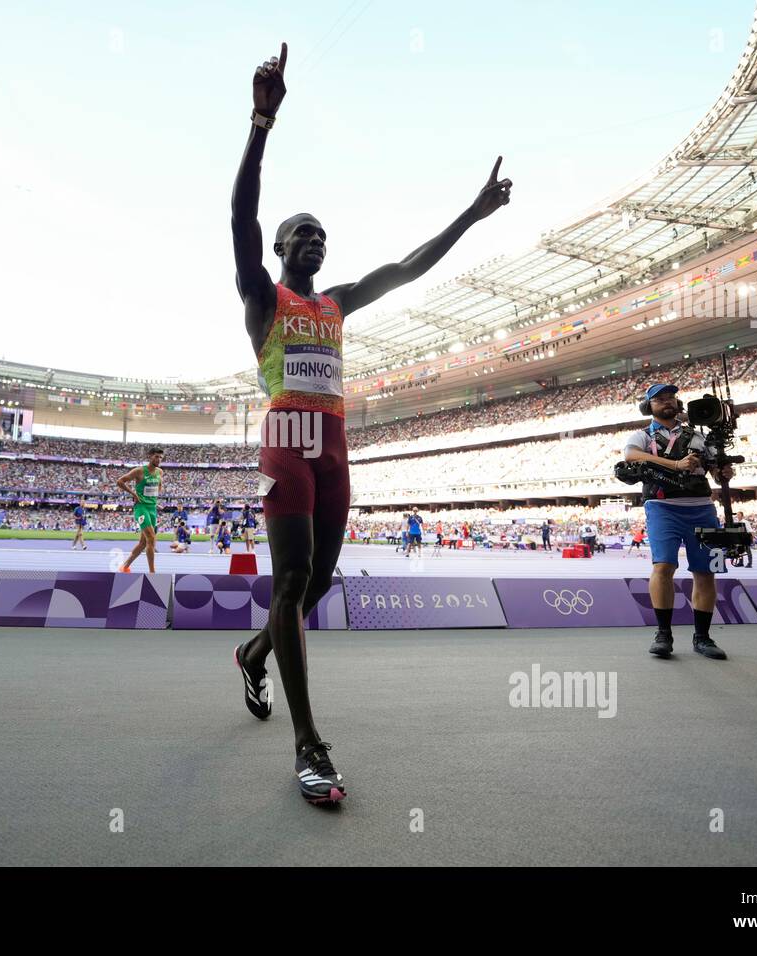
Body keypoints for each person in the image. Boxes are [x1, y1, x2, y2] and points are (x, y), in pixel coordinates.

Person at [229, 41, 512, 804]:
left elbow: (412, 265)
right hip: (287, 435)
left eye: (322, 233)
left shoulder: (337, 301)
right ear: (282, 248)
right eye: (302, 233)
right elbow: (241, 214)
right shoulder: (265, 297)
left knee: (317, 581)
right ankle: (307, 742)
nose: (315, 240)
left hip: (336, 444)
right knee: (290, 578)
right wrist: (262, 122)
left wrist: (473, 215)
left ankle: (255, 652)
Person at [623, 384, 734, 660]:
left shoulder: (697, 435)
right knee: (663, 566)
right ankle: (663, 634)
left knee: (706, 571)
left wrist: (723, 472)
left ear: (678, 401)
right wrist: (674, 465)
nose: (666, 402)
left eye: (670, 397)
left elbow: (715, 471)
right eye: (659, 399)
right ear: (649, 406)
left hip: (702, 506)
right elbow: (630, 456)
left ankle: (703, 637)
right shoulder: (641, 435)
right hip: (662, 507)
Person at [116, 448, 163, 573]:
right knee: (152, 538)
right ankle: (152, 573)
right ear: (150, 457)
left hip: (152, 508)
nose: (159, 460)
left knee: (143, 543)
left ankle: (124, 566)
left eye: (160, 457)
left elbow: (158, 487)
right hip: (141, 508)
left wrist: (155, 502)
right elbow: (120, 481)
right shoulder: (139, 471)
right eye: (156, 457)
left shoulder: (160, 472)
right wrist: (134, 494)